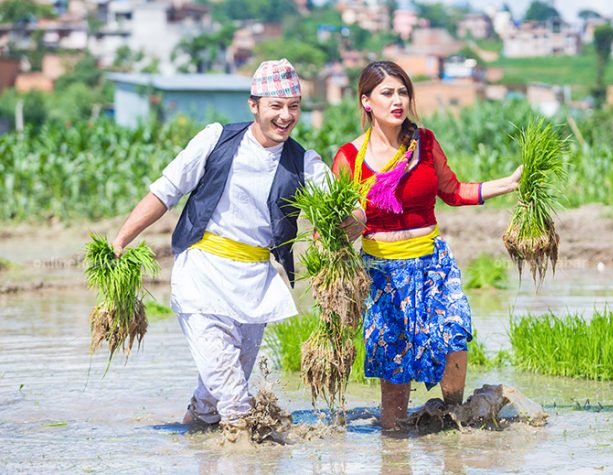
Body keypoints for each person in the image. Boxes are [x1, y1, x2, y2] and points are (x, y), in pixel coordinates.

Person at [111, 59, 364, 432]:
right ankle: (252, 445)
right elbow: (165, 191)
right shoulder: (216, 139)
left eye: (293, 106)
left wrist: (340, 230)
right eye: (276, 106)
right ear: (254, 105)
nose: (285, 116)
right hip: (202, 272)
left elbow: (352, 213)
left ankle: (196, 435)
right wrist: (121, 239)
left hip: (256, 281)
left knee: (216, 393)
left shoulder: (303, 163)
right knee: (233, 396)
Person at [331, 61, 523, 429]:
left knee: (454, 331)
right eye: (387, 92)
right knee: (394, 361)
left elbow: (454, 191)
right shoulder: (349, 158)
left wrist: (507, 184)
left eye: (403, 91)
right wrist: (345, 231)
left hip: (433, 262)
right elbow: (335, 225)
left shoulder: (425, 142)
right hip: (383, 270)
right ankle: (394, 442)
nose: (397, 100)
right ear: (366, 101)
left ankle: (454, 416)